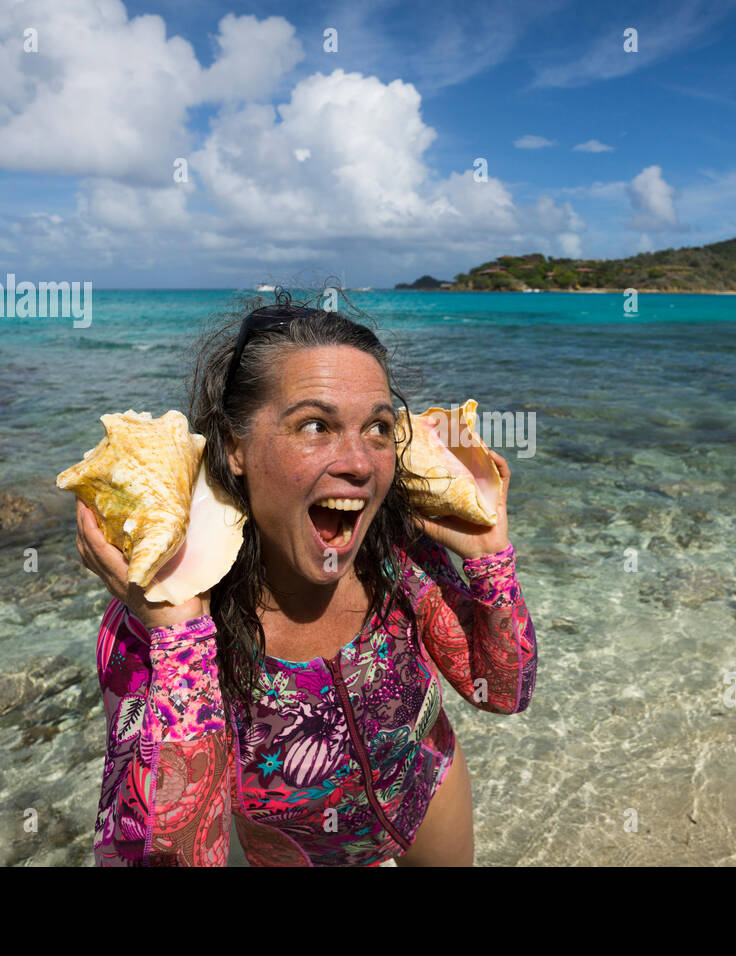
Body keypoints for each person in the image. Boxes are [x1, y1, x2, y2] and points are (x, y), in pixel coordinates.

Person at [74, 291, 537, 866]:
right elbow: (162, 858)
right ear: (233, 446)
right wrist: (180, 634)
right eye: (315, 425)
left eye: (377, 428)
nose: (361, 463)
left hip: (428, 795)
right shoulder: (154, 629)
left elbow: (504, 691)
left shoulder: (399, 557)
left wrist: (489, 556)